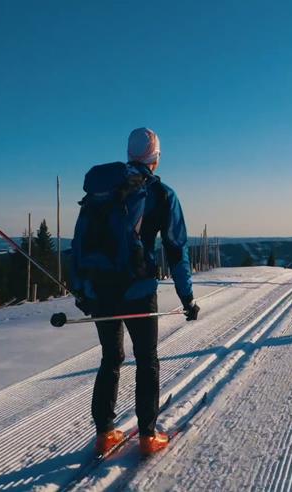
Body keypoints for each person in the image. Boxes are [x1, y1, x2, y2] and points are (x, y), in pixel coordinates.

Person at [70, 127, 200, 457]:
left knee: (110, 358)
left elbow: (79, 243)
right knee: (147, 359)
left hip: (99, 290)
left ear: (129, 154)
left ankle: (104, 433)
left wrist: (82, 289)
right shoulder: (161, 194)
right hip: (138, 291)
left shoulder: (100, 191)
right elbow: (176, 249)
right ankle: (147, 436)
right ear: (155, 158)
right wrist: (187, 298)